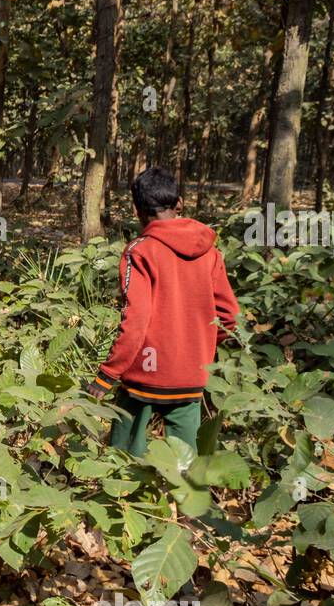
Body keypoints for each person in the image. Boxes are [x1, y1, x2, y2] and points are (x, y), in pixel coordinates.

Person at [86, 167, 239, 456]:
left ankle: (125, 499)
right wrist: (199, 346)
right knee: (187, 465)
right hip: (192, 375)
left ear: (136, 209)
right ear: (179, 203)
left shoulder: (140, 251)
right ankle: (185, 499)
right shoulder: (210, 250)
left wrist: (106, 376)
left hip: (145, 372)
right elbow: (229, 315)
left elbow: (136, 321)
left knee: (123, 460)